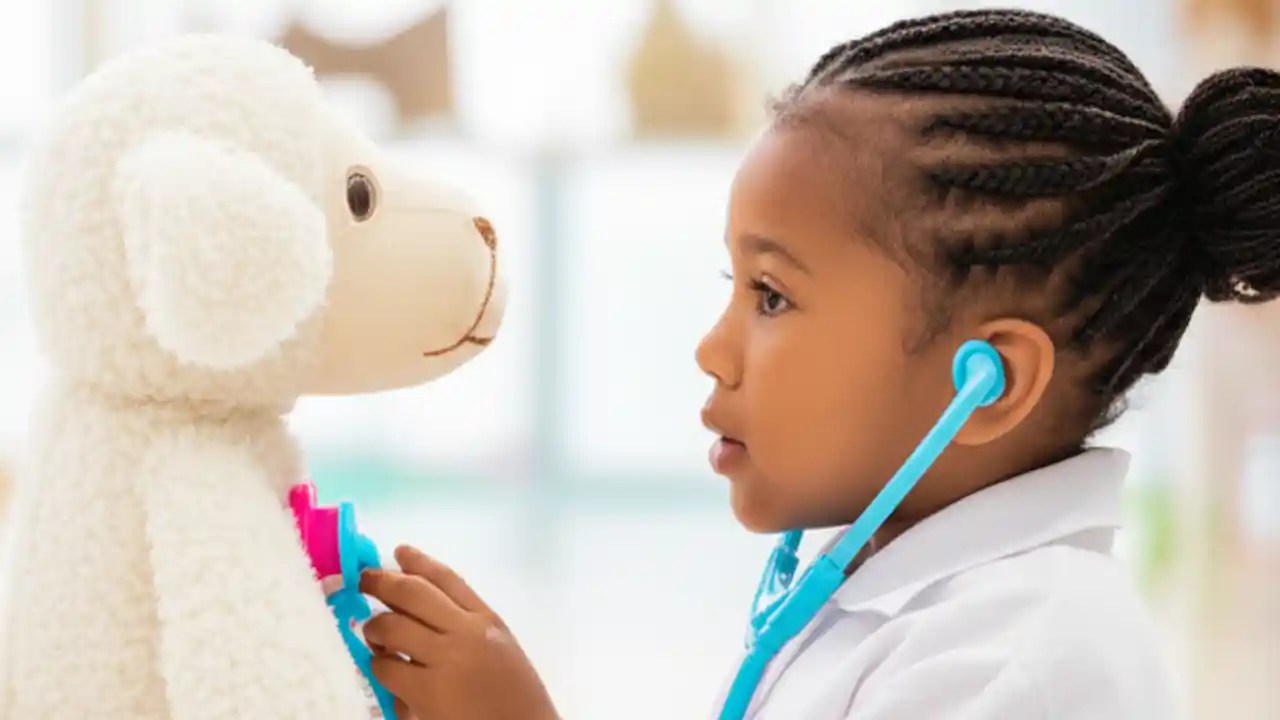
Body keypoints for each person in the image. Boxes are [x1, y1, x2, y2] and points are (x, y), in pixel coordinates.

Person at [355, 8, 1280, 719]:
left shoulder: (1026, 664)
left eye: (772, 296)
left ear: (987, 382)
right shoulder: (897, 601)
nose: (713, 350)